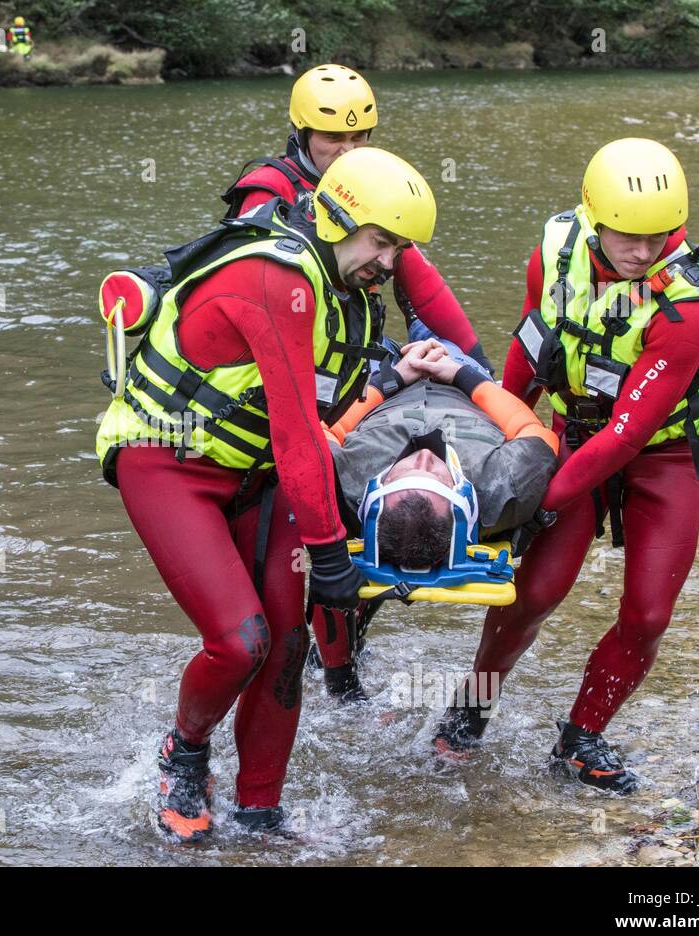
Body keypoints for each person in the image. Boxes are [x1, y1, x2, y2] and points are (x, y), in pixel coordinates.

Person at [95, 148, 437, 842]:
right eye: (381, 244)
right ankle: (185, 753)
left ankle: (260, 812)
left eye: (401, 249)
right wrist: (330, 551)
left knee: (284, 640)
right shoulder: (277, 277)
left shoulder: (352, 293)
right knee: (239, 640)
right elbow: (294, 429)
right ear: (335, 218)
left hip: (259, 472)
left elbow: (320, 423)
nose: (391, 264)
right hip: (167, 459)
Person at [430, 138, 699, 793]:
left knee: (647, 615)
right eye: (628, 237)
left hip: (659, 454)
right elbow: (531, 348)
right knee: (536, 593)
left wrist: (544, 501)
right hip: (573, 436)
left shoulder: (687, 302)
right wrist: (496, 446)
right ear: (593, 217)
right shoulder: (553, 251)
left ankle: (580, 738)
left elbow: (630, 434)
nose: (644, 251)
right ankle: (472, 705)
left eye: (661, 235)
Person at [312, 339, 560, 700]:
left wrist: (392, 378)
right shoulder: (502, 492)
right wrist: (462, 374)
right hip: (464, 377)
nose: (426, 457)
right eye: (435, 475)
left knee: (371, 313)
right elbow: (533, 430)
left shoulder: (344, 486)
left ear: (377, 490)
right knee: (441, 329)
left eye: (407, 471)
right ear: (461, 496)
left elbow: (322, 428)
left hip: (385, 373)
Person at [219, 63, 492, 375]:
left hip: (360, 341)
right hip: (312, 354)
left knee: (458, 359)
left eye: (358, 137)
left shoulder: (373, 182)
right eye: (333, 137)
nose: (346, 151)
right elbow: (248, 303)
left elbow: (425, 288)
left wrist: (479, 365)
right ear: (302, 133)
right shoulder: (268, 190)